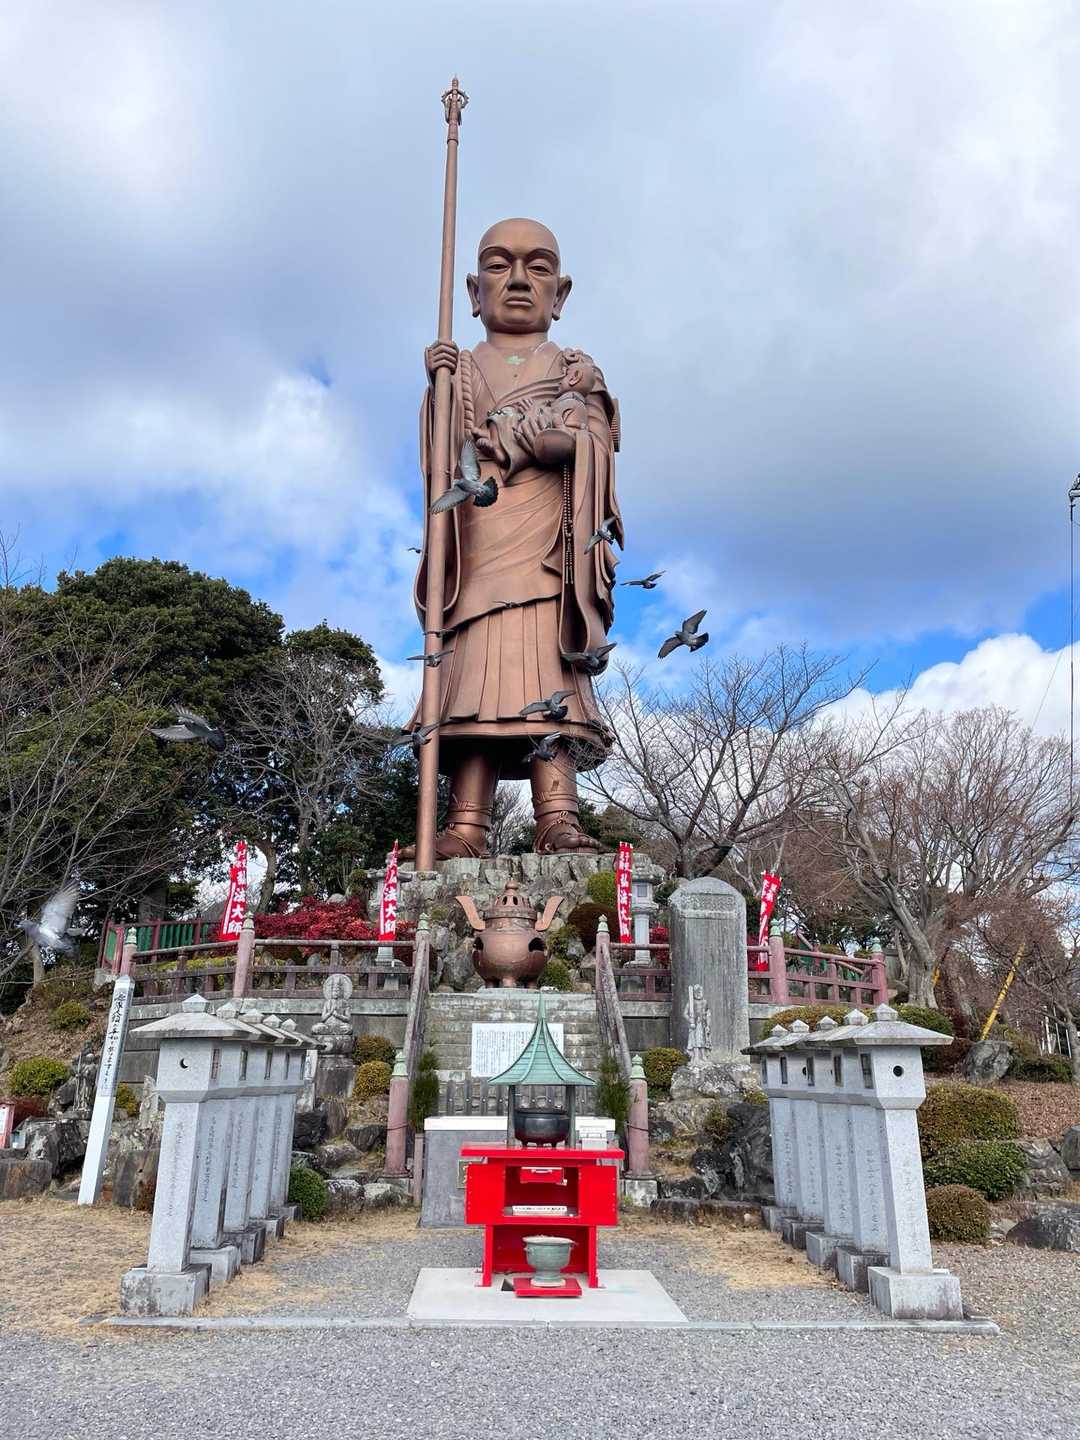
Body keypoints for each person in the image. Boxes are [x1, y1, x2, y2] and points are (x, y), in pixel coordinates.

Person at [409, 217, 622, 858]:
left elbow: (594, 442)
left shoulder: (574, 368)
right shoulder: (462, 370)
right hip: (476, 543)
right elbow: (443, 461)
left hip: (548, 550)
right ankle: (466, 823)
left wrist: (540, 439)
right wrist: (438, 388)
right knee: (473, 684)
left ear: (560, 293)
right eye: (501, 265)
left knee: (542, 682)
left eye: (538, 266)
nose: (521, 279)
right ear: (474, 292)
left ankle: (557, 815)